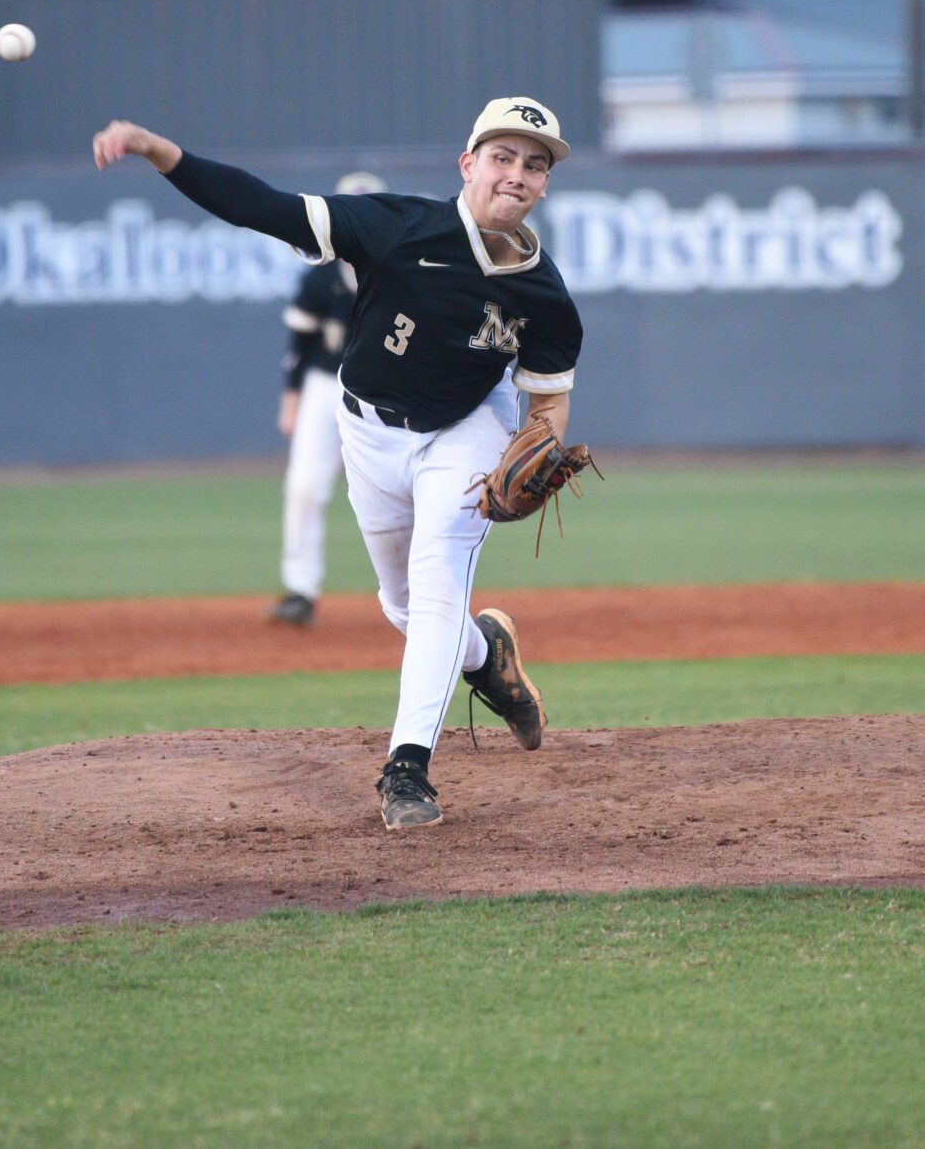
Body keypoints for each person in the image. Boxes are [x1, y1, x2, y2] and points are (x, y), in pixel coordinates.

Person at [93, 97, 582, 832]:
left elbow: (547, 412)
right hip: (367, 432)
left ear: (544, 184)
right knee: (405, 606)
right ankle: (489, 659)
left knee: (439, 575)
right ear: (469, 164)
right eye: (503, 156)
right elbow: (262, 206)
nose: (517, 173)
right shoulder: (397, 226)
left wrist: (528, 462)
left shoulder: (546, 297)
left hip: (467, 431)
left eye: (535, 164)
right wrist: (158, 150)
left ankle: (407, 768)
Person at [269, 170, 385, 627]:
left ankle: (425, 594)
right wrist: (290, 399)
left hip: (383, 390)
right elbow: (298, 345)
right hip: (324, 384)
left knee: (400, 491)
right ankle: (301, 589)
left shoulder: (401, 270)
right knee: (303, 486)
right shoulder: (319, 279)